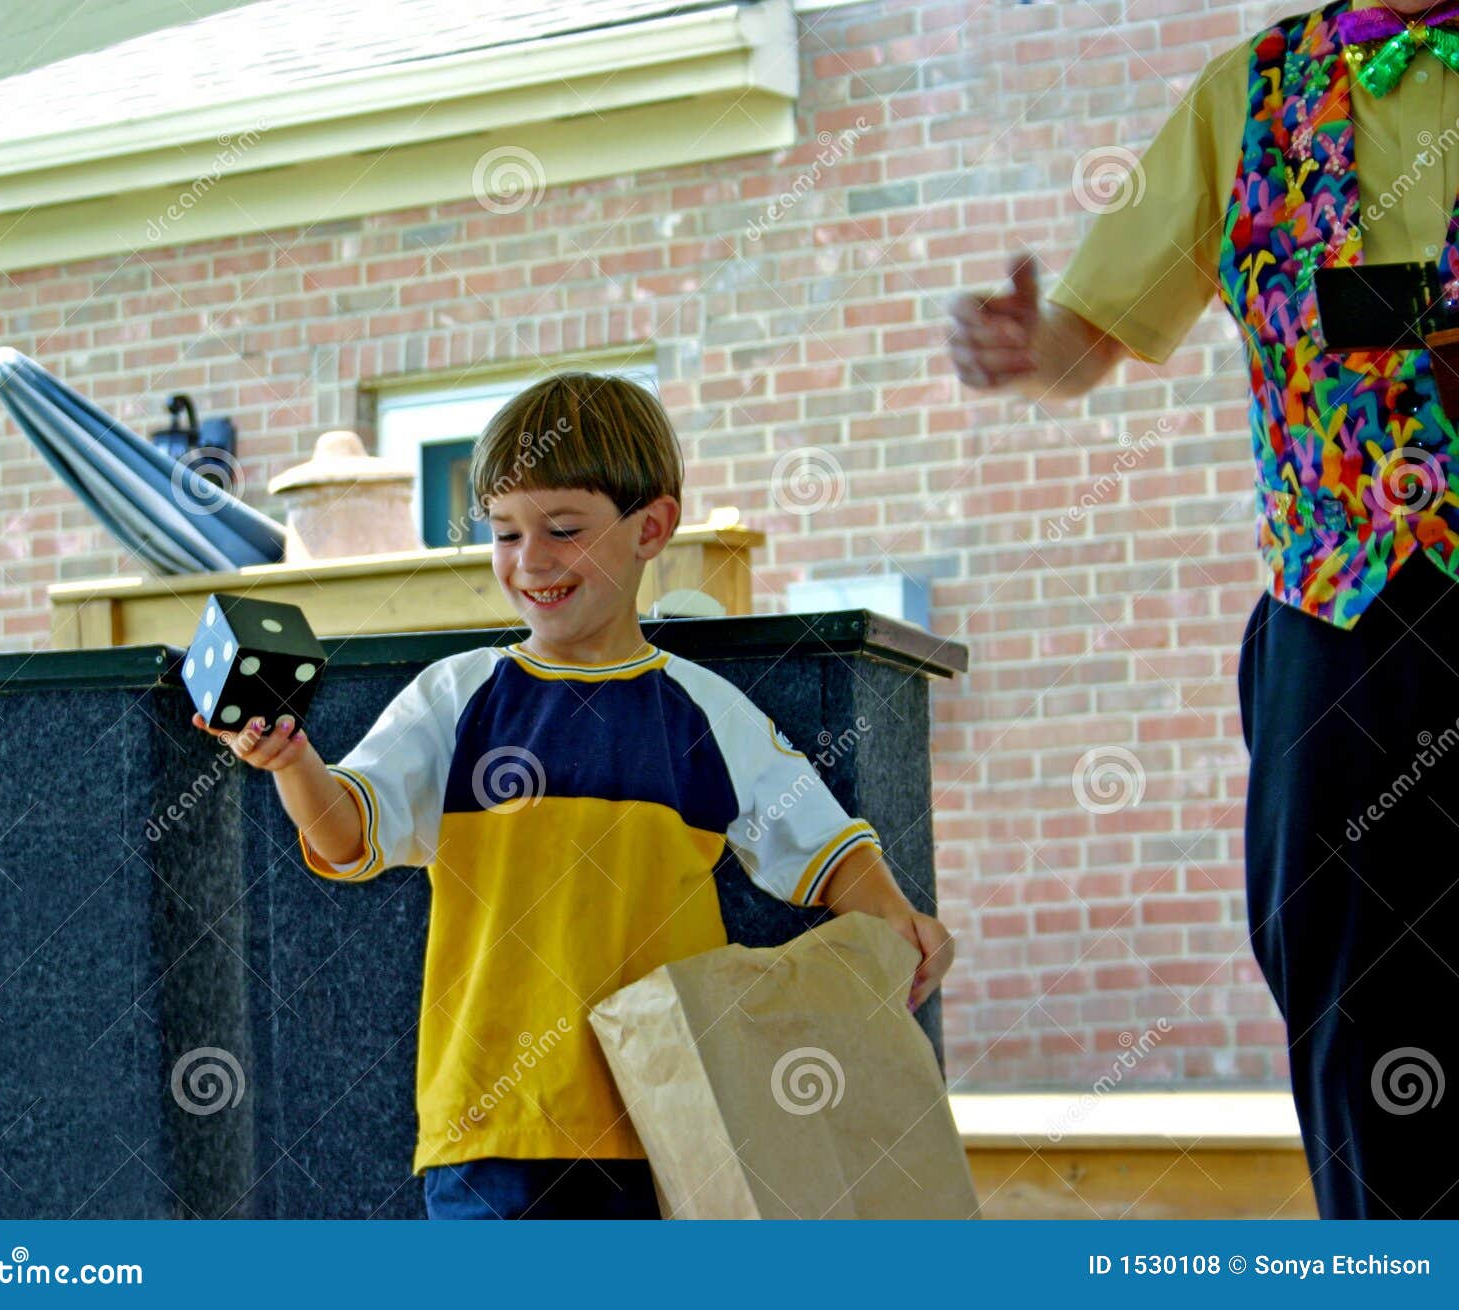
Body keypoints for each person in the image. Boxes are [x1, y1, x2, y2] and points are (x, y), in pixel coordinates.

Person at [193, 372, 954, 1220]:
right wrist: (293, 764)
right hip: (495, 1131)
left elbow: (824, 845)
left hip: (681, 1122)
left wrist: (893, 913)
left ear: (652, 527)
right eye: (506, 532)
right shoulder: (455, 698)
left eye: (563, 529)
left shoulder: (704, 712)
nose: (532, 561)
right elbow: (346, 838)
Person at [950, 0, 1459, 1219]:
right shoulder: (1248, 93)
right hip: (1335, 625)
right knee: (1354, 1009)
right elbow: (1094, 335)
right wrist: (1030, 348)